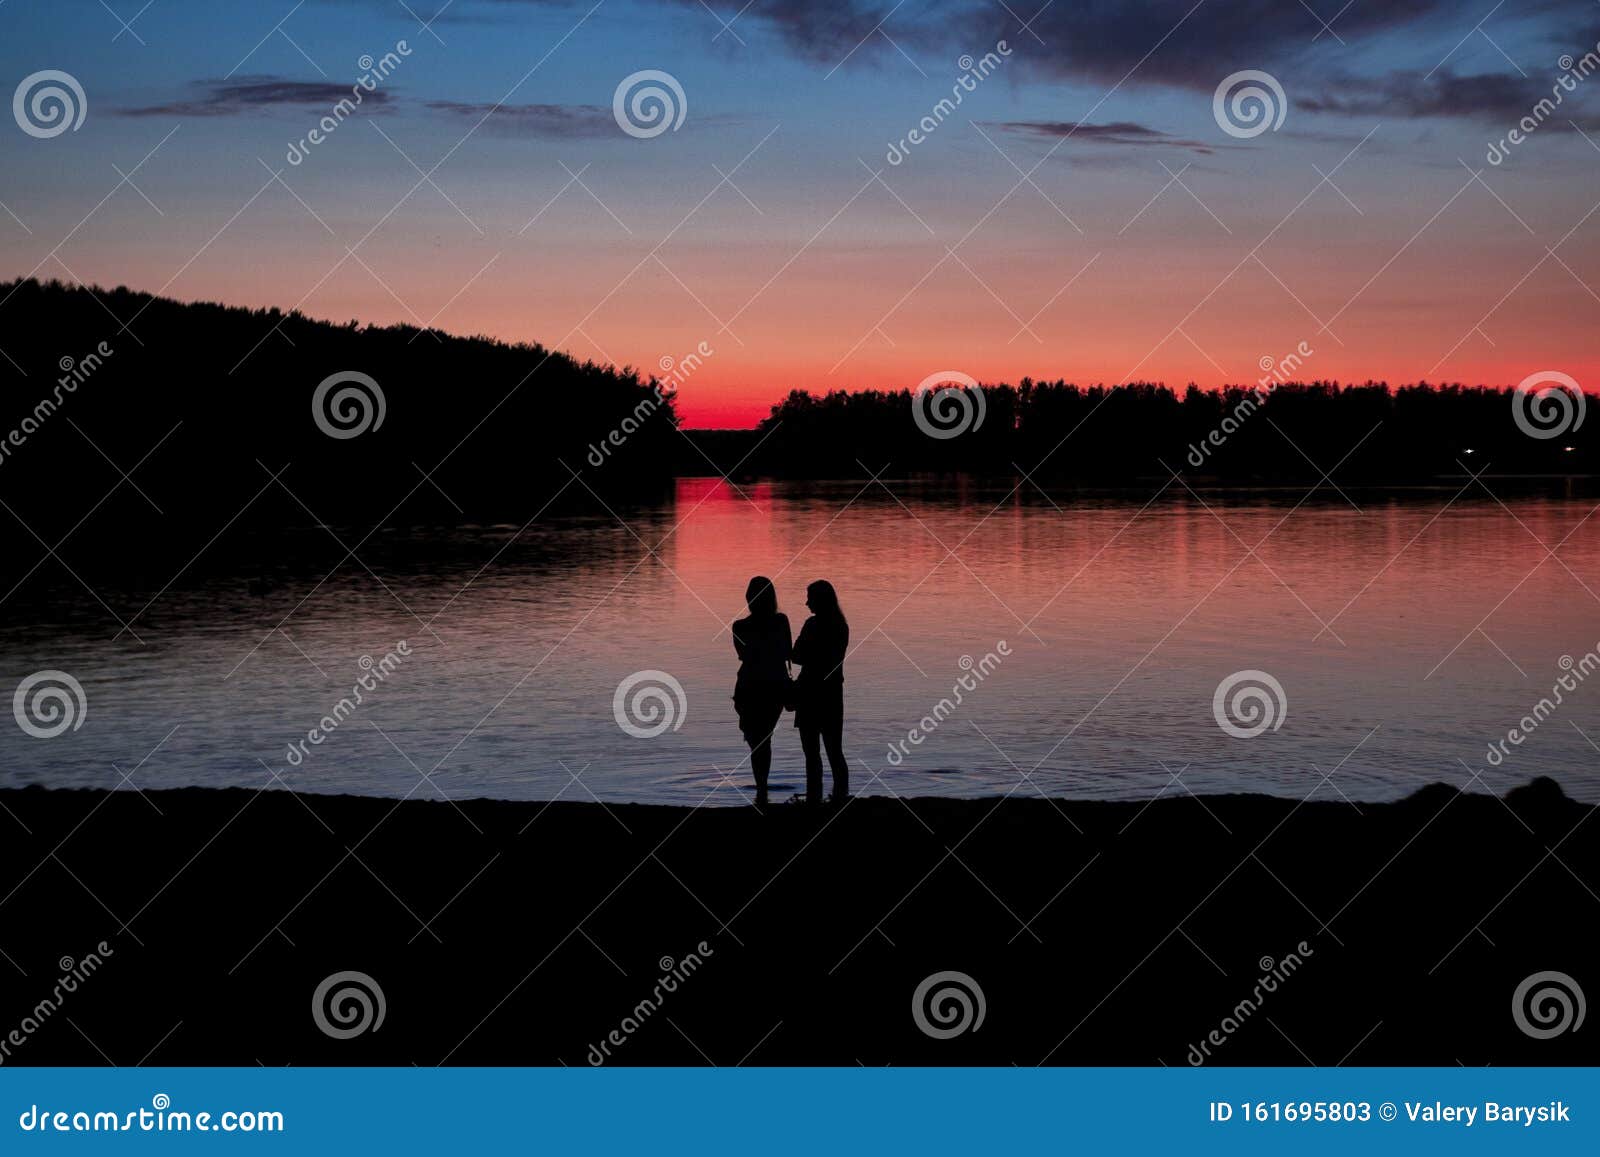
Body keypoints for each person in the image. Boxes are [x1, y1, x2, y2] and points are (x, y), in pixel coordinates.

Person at [731, 576, 792, 808]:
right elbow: (787, 651)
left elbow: (743, 656)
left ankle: (761, 790)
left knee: (757, 739)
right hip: (774, 686)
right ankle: (762, 790)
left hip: (749, 687)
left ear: (749, 599)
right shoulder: (781, 621)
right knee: (764, 738)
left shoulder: (740, 626)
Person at [791, 579, 849, 806]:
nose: (806, 603)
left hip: (810, 693)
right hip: (832, 694)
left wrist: (808, 654)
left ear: (820, 600)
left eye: (810, 598)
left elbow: (796, 655)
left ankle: (815, 798)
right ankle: (840, 798)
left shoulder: (812, 625)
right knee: (835, 752)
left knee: (812, 754)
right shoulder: (841, 626)